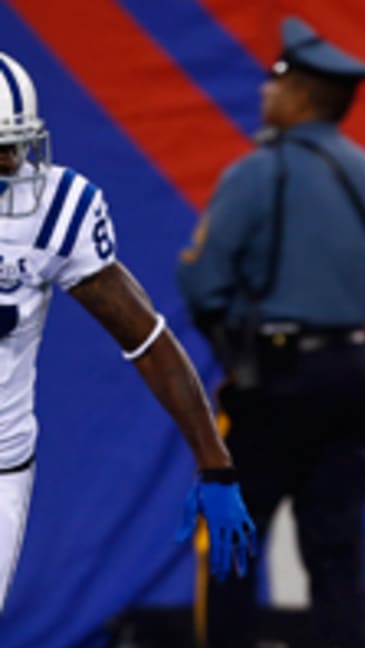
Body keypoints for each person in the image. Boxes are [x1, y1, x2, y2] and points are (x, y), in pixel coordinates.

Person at [161, 17, 365, 648]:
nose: (264, 91)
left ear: (300, 93)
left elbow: (200, 277)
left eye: (274, 80)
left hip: (275, 379)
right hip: (356, 374)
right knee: (337, 551)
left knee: (228, 536)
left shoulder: (261, 172)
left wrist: (236, 333)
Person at [0, 52, 254, 608]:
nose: (12, 162)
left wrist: (214, 460)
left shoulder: (52, 210)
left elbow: (145, 338)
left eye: (14, 145)